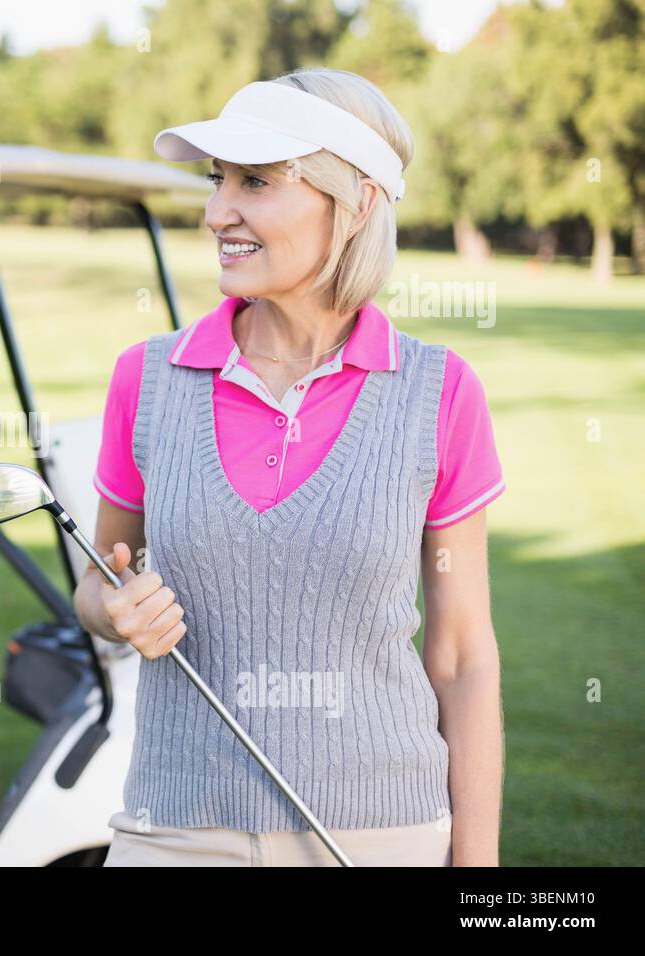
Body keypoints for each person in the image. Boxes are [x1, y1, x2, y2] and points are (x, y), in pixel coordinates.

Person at [75, 68, 505, 867]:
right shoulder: (148, 377)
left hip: (381, 834)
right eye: (216, 181)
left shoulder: (439, 393)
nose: (215, 213)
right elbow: (99, 582)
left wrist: (478, 875)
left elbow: (463, 656)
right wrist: (115, 609)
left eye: (257, 182)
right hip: (174, 826)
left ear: (359, 203)